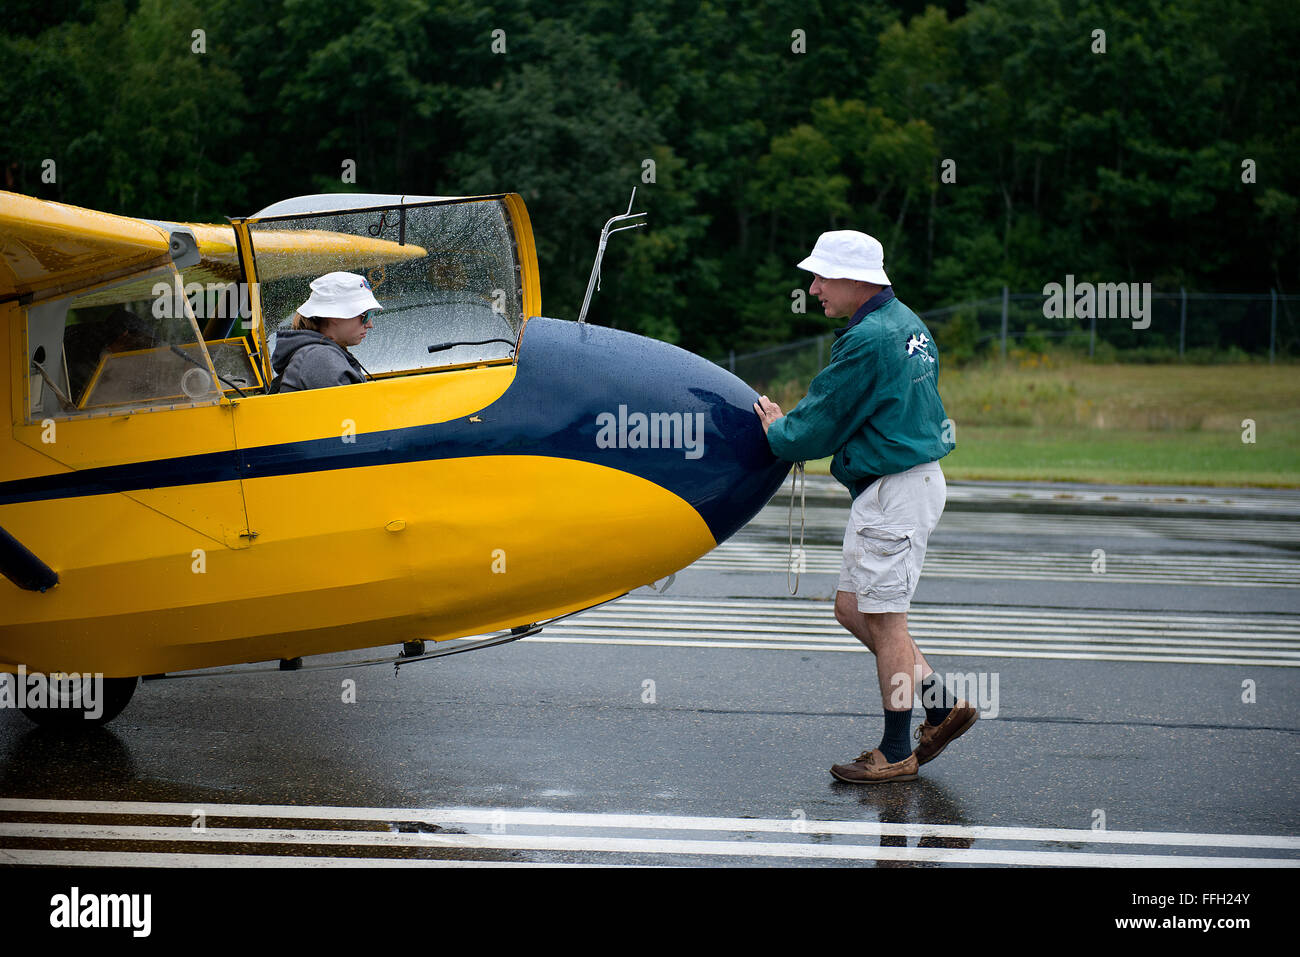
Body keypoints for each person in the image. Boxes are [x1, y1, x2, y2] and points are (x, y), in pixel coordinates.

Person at [753, 230, 976, 784]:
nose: (813, 288)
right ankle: (942, 706)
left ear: (856, 280)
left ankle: (895, 750)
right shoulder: (906, 323)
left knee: (885, 620)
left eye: (822, 276)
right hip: (899, 484)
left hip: (895, 491)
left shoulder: (868, 338)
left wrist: (779, 431)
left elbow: (818, 424)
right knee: (852, 609)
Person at [270, 272, 382, 392]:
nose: (370, 325)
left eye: (372, 315)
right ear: (335, 315)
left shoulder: (317, 354)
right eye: (366, 315)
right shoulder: (320, 358)